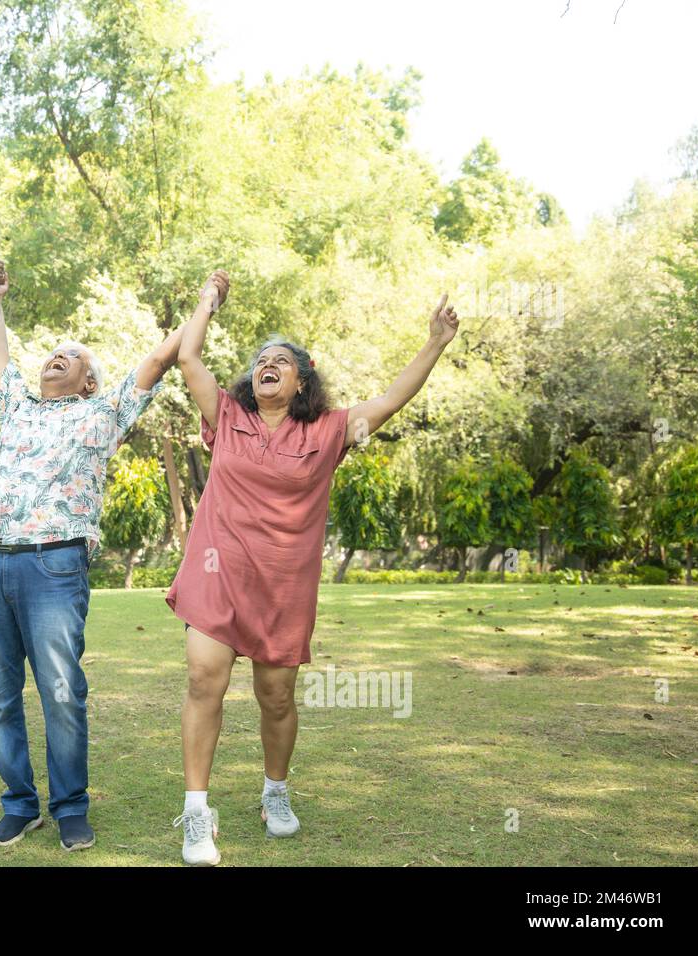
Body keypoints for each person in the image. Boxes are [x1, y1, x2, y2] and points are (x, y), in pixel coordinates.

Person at [168, 277, 460, 865]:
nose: (266, 366)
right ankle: (197, 813)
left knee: (275, 697)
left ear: (303, 379)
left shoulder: (328, 431)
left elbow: (390, 401)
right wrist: (207, 303)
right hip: (217, 572)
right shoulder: (226, 416)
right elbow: (188, 356)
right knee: (204, 679)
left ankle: (275, 791)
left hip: (282, 585)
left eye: (281, 361)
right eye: (259, 362)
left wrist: (434, 344)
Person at [0, 259, 190, 852]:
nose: (55, 356)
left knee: (61, 689)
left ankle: (70, 808)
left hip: (53, 567)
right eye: (52, 353)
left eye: (71, 354)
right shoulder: (16, 406)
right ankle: (19, 803)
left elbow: (160, 361)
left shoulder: (102, 413)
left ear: (89, 380)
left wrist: (205, 305)